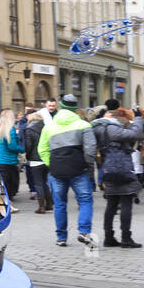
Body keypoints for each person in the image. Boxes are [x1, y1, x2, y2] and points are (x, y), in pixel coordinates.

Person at [39, 93, 97, 248]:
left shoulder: (49, 127)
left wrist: (51, 164)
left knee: (59, 204)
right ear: (75, 109)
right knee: (85, 200)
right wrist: (88, 165)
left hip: (57, 171)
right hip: (79, 170)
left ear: (61, 107)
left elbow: (42, 149)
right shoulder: (84, 125)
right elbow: (90, 149)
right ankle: (83, 232)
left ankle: (61, 237)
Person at [93, 107, 144, 247]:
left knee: (111, 203)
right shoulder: (112, 127)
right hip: (122, 168)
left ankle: (109, 237)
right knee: (126, 202)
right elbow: (135, 134)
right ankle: (126, 238)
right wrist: (138, 118)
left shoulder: (98, 127)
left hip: (108, 168)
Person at [0, 109, 24, 199]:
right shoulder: (10, 130)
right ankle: (9, 204)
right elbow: (12, 147)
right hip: (10, 161)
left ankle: (6, 202)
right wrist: (22, 149)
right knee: (11, 185)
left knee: (3, 184)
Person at [23, 110, 50, 213]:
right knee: (44, 182)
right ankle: (49, 204)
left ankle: (41, 207)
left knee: (38, 183)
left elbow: (28, 146)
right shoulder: (46, 127)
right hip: (46, 158)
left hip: (35, 160)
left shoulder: (29, 129)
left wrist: (27, 156)